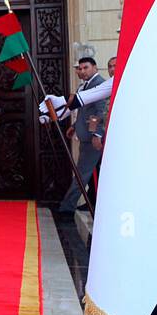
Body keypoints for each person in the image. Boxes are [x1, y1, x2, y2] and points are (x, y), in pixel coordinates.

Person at [56, 56, 105, 215]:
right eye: (80, 68)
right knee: (90, 174)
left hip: (93, 140)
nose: (82, 71)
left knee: (81, 174)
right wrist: (74, 127)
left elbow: (101, 111)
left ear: (95, 68)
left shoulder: (99, 85)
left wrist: (97, 134)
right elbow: (84, 112)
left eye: (86, 68)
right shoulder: (85, 86)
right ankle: (92, 202)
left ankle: (66, 208)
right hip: (85, 137)